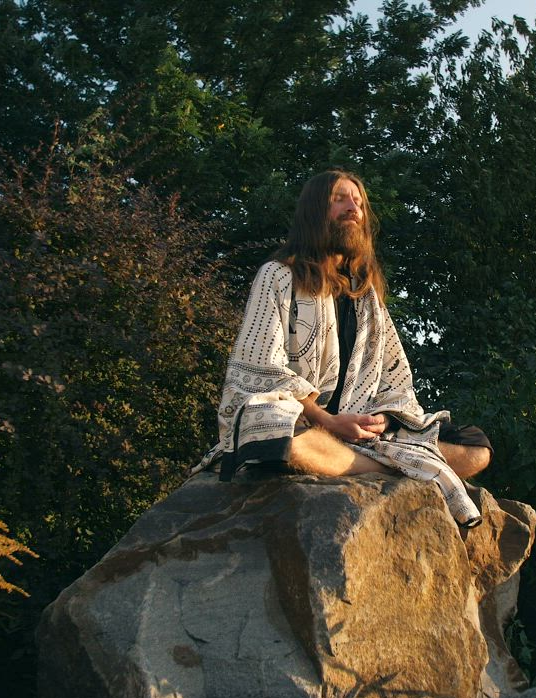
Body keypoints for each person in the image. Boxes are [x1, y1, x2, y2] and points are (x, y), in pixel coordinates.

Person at [191, 170, 491, 527]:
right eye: (340, 199)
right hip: (307, 424)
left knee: (475, 446)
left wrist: (382, 418)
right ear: (315, 211)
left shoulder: (366, 297)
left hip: (360, 437)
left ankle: (379, 463)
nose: (354, 209)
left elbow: (393, 378)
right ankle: (398, 466)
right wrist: (327, 420)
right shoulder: (279, 275)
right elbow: (258, 368)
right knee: (273, 432)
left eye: (359, 203)